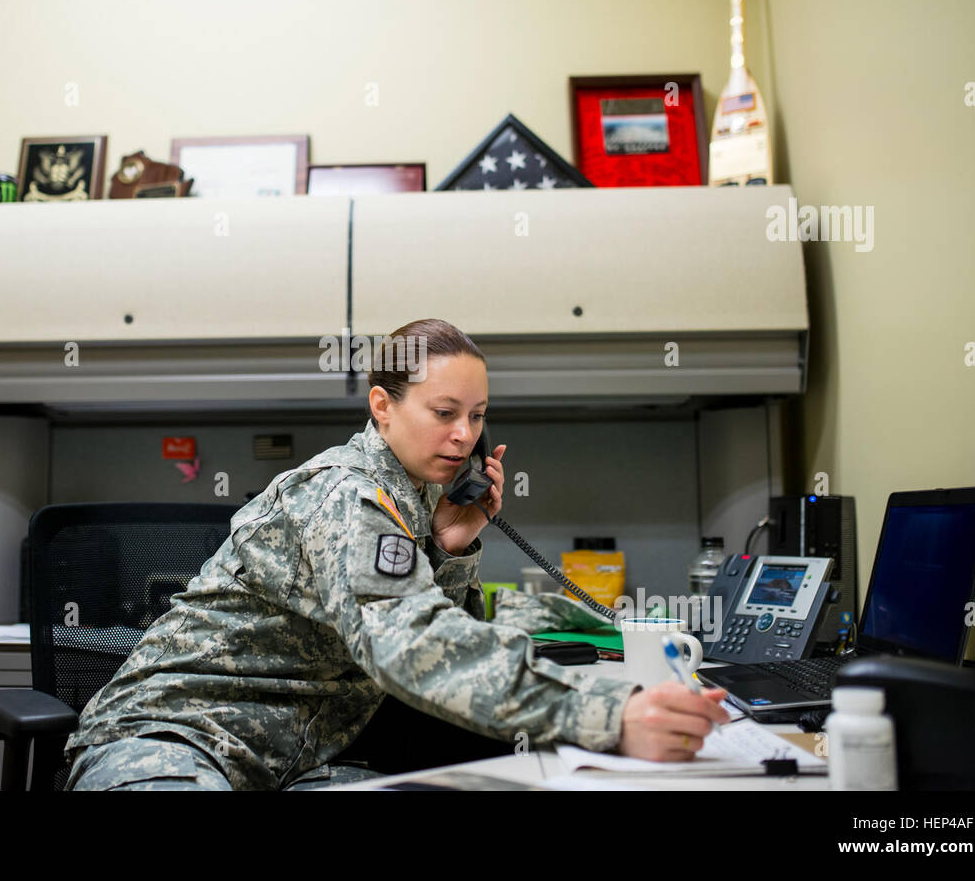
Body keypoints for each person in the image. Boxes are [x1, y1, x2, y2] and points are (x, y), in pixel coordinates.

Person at [64, 318, 728, 790]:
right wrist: (607, 711)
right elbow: (412, 645)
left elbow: (441, 638)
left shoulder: (411, 502)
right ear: (382, 406)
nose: (465, 435)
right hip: (173, 740)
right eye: (444, 412)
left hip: (300, 756)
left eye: (477, 414)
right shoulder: (346, 496)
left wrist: (449, 548)